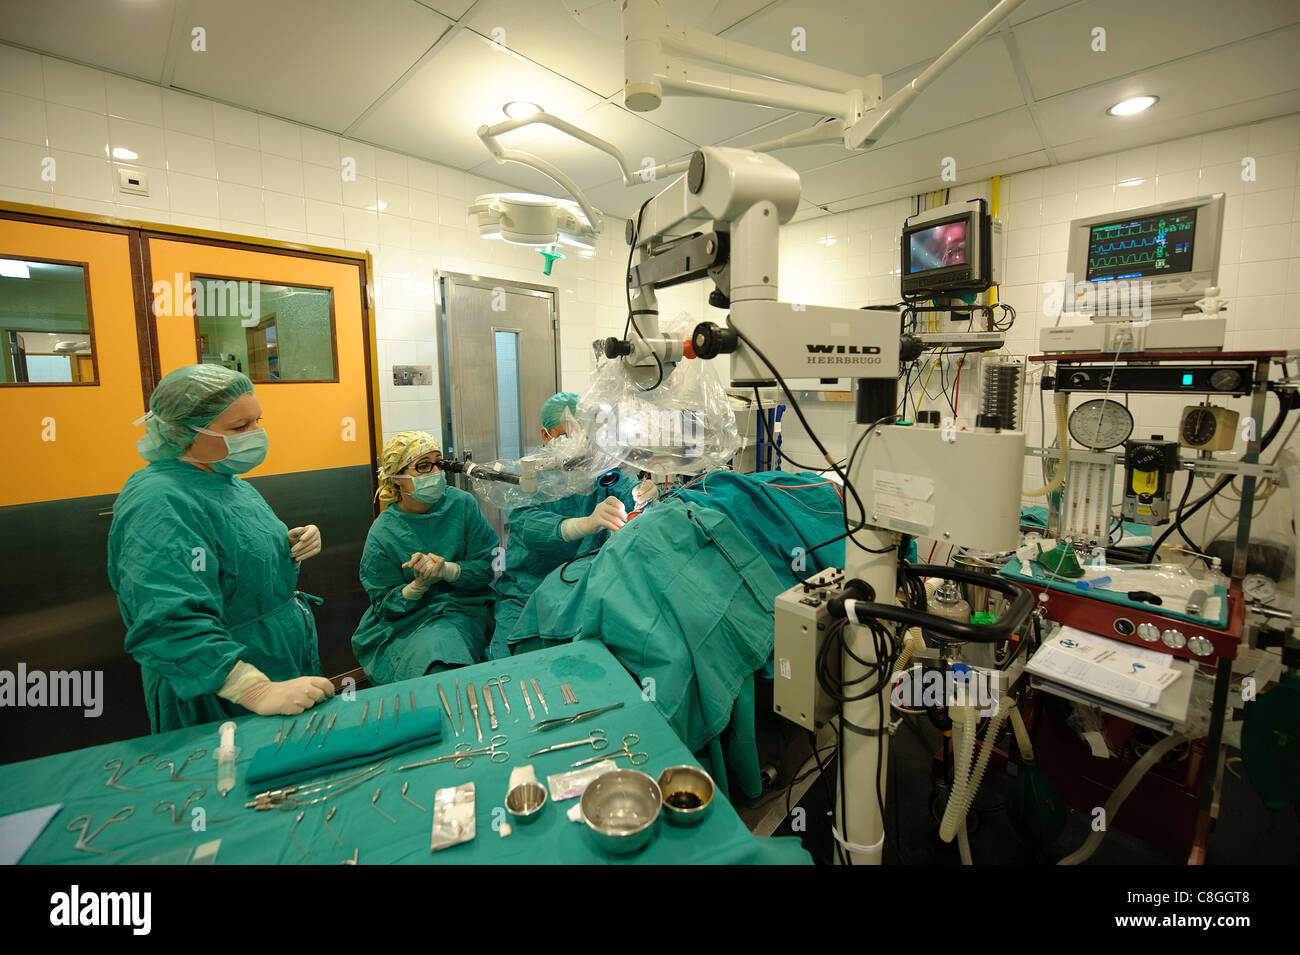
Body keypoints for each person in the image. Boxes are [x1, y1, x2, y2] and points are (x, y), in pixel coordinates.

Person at [108, 364, 334, 733]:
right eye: (239, 428)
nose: (256, 434)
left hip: (275, 657)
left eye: (258, 420)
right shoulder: (158, 500)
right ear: (182, 432)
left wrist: (283, 544)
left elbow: (230, 549)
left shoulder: (224, 478)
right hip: (220, 684)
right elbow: (167, 621)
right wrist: (254, 689)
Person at [489, 391, 658, 656]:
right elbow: (529, 525)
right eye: (568, 436)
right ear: (546, 436)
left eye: (586, 436)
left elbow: (630, 493)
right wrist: (584, 524)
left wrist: (646, 493)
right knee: (508, 658)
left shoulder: (601, 469)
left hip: (586, 587)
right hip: (528, 590)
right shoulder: (531, 474)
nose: (579, 447)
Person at [351, 431, 499, 683]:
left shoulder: (462, 505)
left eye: (438, 463)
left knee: (451, 651)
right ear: (397, 478)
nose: (434, 472)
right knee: (431, 660)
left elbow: (490, 565)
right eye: (423, 466)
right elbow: (384, 604)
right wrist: (417, 586)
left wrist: (448, 570)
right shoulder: (384, 531)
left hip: (465, 608)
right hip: (409, 620)